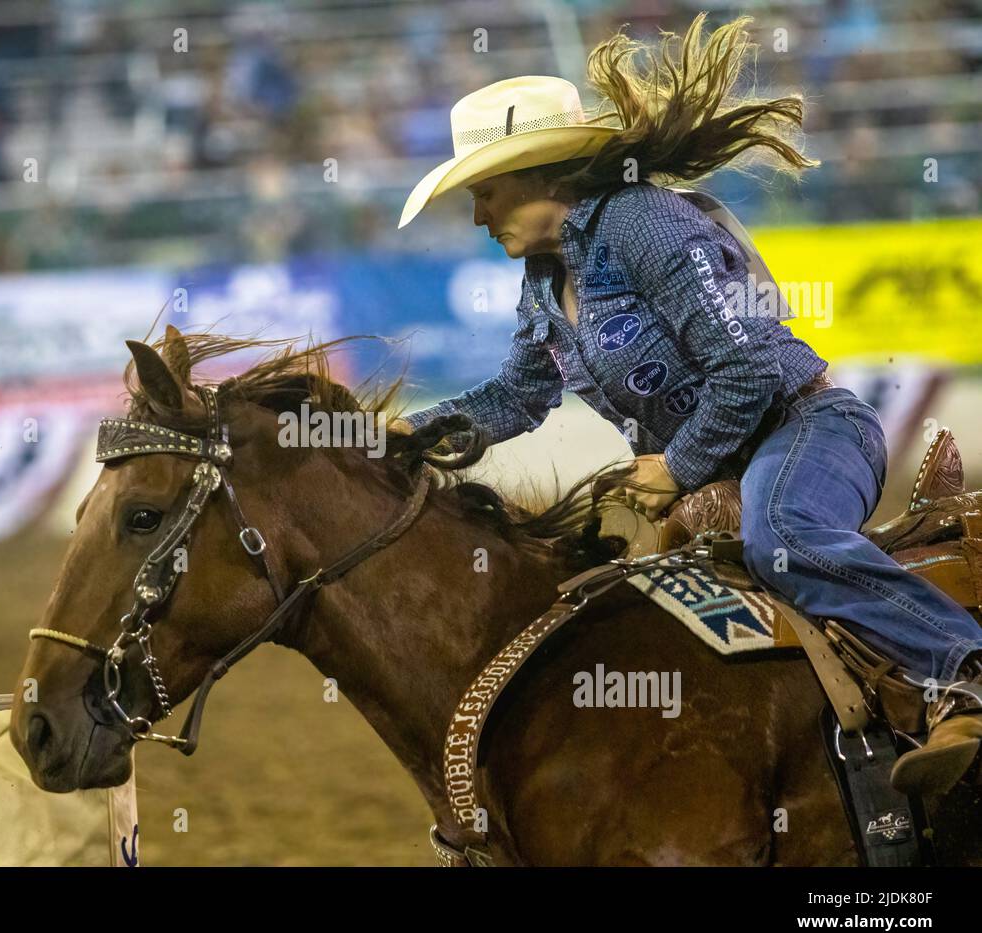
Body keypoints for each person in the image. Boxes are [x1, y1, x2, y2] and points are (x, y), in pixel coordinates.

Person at [395, 15, 982, 796]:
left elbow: (744, 368)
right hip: (727, 473)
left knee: (786, 540)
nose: (476, 215)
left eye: (486, 191)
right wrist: (408, 433)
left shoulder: (643, 223)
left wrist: (679, 466)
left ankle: (964, 670)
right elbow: (518, 394)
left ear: (543, 178)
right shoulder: (542, 282)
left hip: (807, 428)